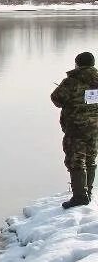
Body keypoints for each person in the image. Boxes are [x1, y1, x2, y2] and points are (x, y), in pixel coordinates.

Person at [51, 51, 98, 209]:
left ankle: (79, 196)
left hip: (76, 128)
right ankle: (88, 193)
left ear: (78, 64)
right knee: (91, 158)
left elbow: (56, 99)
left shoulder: (72, 81)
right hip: (95, 128)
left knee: (76, 160)